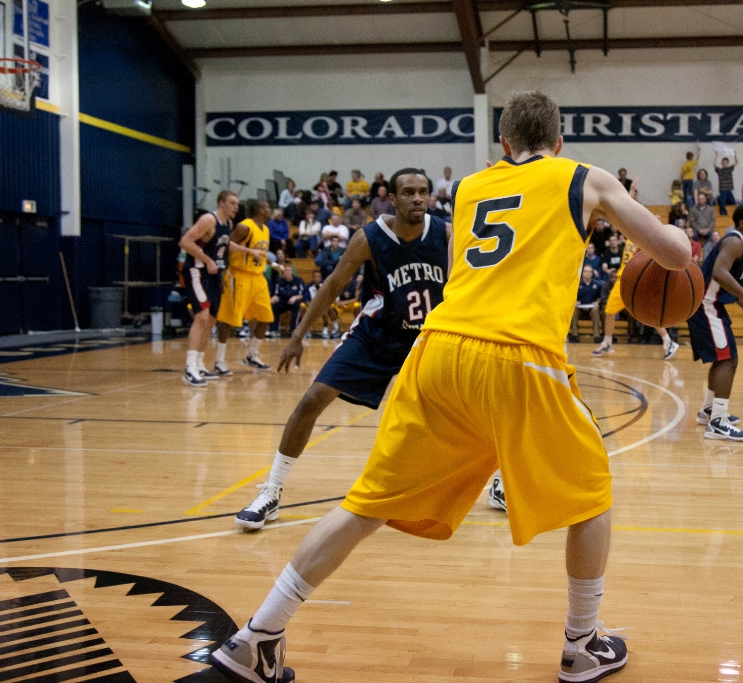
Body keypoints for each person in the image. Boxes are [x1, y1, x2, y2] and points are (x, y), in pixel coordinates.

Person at [211, 91, 691, 683]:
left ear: (505, 144)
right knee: (591, 495)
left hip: (437, 352)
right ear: (559, 142)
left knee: (367, 503)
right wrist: (630, 209)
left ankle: (256, 636)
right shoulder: (584, 177)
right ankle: (581, 644)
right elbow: (675, 253)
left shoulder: (468, 189)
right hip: (521, 357)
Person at [232, 168, 450, 532]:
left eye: (423, 192)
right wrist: (298, 335)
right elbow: (333, 285)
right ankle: (271, 491)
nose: (417, 198)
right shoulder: (369, 238)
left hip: (430, 339)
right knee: (312, 399)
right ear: (391, 199)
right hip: (376, 336)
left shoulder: (445, 233)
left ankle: (499, 483)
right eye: (409, 192)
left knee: (481, 402)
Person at [686, 204, 743, 440]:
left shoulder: (739, 244)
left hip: (709, 304)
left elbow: (727, 282)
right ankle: (717, 422)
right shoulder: (735, 242)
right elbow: (719, 273)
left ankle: (709, 411)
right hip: (705, 305)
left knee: (723, 358)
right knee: (728, 359)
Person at [179, 190, 237, 387]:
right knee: (202, 317)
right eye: (232, 203)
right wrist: (207, 260)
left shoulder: (228, 225)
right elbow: (185, 241)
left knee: (211, 319)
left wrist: (248, 251)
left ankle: (199, 363)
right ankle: (189, 368)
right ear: (221, 203)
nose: (235, 207)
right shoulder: (208, 220)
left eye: (237, 204)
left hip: (215, 275)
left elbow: (225, 247)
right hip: (197, 271)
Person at [214, 199, 276, 374]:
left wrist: (273, 263)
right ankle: (219, 361)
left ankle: (252, 355)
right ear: (259, 209)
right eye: (267, 206)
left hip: (257, 277)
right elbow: (226, 245)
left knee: (266, 317)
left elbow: (260, 253)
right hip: (239, 275)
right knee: (229, 319)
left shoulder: (265, 229)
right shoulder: (244, 227)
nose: (270, 209)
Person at [593, 237, 680, 360]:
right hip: (622, 279)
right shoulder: (630, 235)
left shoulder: (646, 240)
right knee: (609, 311)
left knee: (648, 313)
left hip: (636, 280)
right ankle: (607, 342)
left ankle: (669, 342)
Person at [270, 263, 305, 337]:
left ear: (292, 272)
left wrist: (295, 297)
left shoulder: (298, 281)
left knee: (297, 304)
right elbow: (276, 293)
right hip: (282, 301)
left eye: (289, 270)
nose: (288, 272)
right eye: (286, 271)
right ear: (283, 272)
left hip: (293, 302)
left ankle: (293, 330)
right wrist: (275, 297)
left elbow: (302, 295)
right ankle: (274, 330)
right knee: (274, 304)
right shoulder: (279, 281)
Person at [571, 265, 603, 342]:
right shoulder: (577, 284)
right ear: (582, 273)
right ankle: (574, 335)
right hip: (579, 307)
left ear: (592, 273)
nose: (588, 273)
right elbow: (571, 296)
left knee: (595, 310)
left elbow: (600, 297)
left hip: (591, 307)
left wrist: (597, 302)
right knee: (573, 310)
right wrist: (574, 301)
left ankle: (596, 336)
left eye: (590, 271)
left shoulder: (597, 285)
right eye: (586, 271)